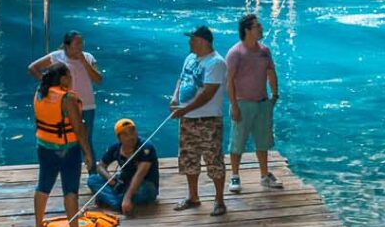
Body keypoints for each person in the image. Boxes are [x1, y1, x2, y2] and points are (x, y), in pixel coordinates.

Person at [33, 63, 97, 227]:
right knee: (70, 190)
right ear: (62, 79)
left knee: (43, 186)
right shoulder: (67, 98)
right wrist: (88, 154)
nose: (71, 80)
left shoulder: (39, 93)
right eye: (69, 76)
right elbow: (78, 128)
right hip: (67, 149)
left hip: (44, 146)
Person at [170, 25, 228, 216]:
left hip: (207, 120)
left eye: (192, 39)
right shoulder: (190, 58)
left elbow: (208, 94)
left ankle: (219, 201)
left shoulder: (216, 63)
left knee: (213, 160)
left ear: (203, 41)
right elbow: (181, 79)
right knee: (189, 158)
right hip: (187, 118)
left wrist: (184, 109)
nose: (189, 42)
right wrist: (174, 98)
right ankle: (193, 196)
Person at [226, 13, 283, 193]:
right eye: (257, 26)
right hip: (243, 103)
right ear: (247, 30)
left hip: (262, 102)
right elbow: (230, 81)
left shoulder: (264, 51)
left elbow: (271, 72)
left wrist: (274, 95)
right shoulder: (236, 53)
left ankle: (264, 175)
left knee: (263, 141)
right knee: (237, 142)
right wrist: (234, 105)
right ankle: (234, 176)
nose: (261, 28)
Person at [28, 31, 102, 144]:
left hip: (87, 105)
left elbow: (98, 80)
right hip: (66, 104)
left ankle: (88, 160)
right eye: (77, 44)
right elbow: (32, 68)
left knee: (87, 140)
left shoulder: (88, 57)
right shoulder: (56, 56)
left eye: (81, 43)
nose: (80, 47)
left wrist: (84, 62)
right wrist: (49, 84)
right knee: (69, 139)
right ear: (67, 45)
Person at [89, 118, 159, 215]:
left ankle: (114, 201)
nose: (131, 136)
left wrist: (127, 197)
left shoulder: (146, 148)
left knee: (145, 190)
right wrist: (111, 180)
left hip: (143, 184)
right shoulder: (115, 148)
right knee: (92, 179)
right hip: (123, 183)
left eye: (132, 131)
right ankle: (118, 201)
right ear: (119, 138)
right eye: (125, 134)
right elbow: (100, 166)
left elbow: (140, 175)